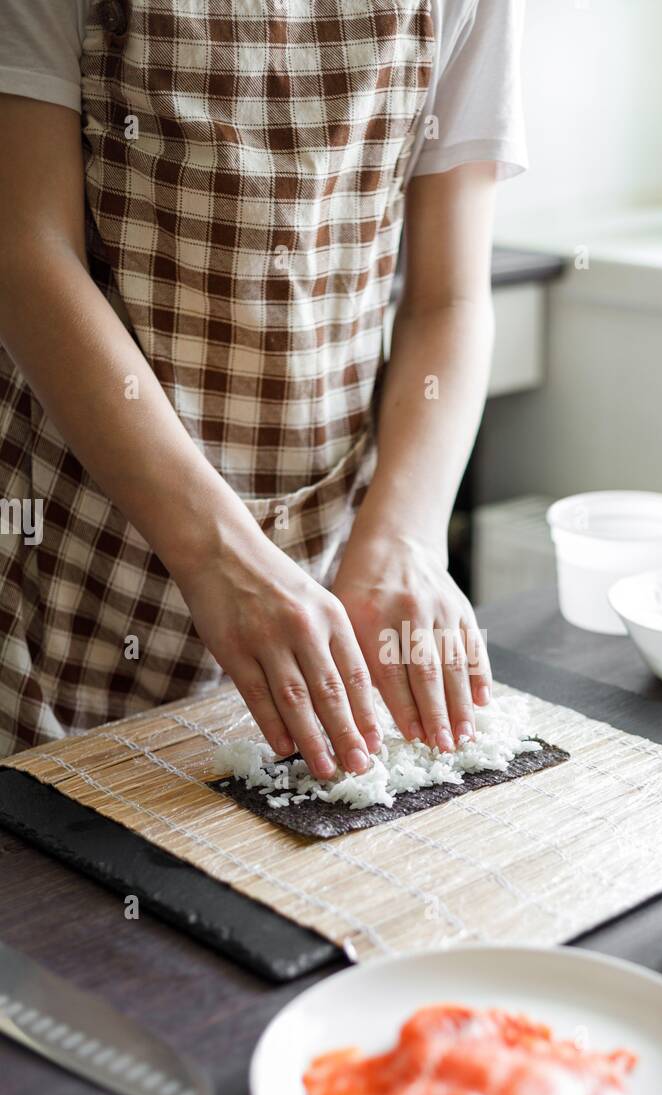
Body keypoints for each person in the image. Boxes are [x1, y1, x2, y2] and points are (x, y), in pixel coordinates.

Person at [0, 0, 527, 776]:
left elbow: (448, 298)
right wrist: (215, 551)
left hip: (328, 564)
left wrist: (403, 536)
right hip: (79, 570)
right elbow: (25, 253)